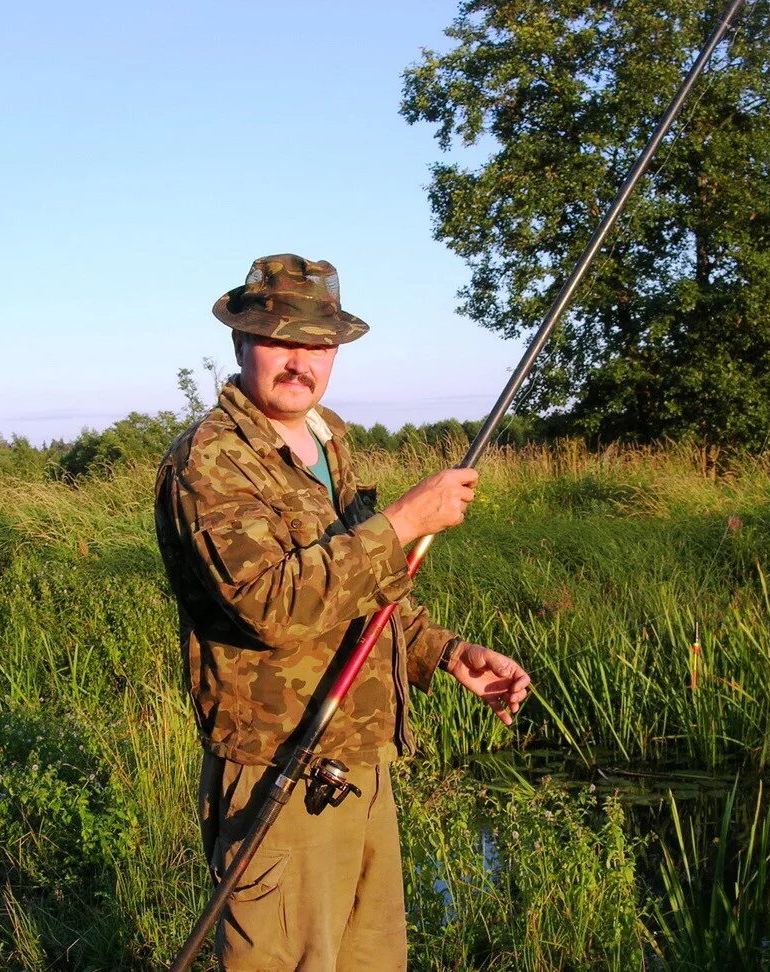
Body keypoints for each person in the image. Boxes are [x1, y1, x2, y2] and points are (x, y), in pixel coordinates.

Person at [154, 253, 531, 971]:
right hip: (280, 765)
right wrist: (400, 520)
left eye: (318, 344)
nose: (301, 361)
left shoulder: (328, 438)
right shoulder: (210, 461)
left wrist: (447, 654)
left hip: (360, 756)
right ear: (241, 343)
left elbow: (363, 590)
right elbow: (269, 604)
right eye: (281, 340)